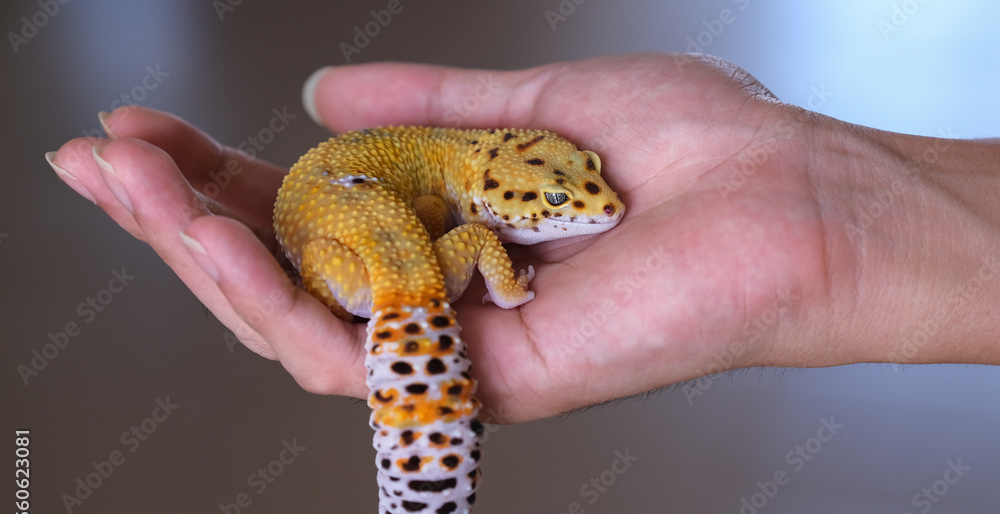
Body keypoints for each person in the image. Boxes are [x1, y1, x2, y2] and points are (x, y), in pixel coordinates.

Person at [45, 53, 1000, 422]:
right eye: (558, 209)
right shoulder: (461, 216)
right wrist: (509, 285)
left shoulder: (441, 165)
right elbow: (474, 248)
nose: (600, 207)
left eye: (584, 183)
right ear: (496, 198)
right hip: (370, 253)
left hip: (343, 268)